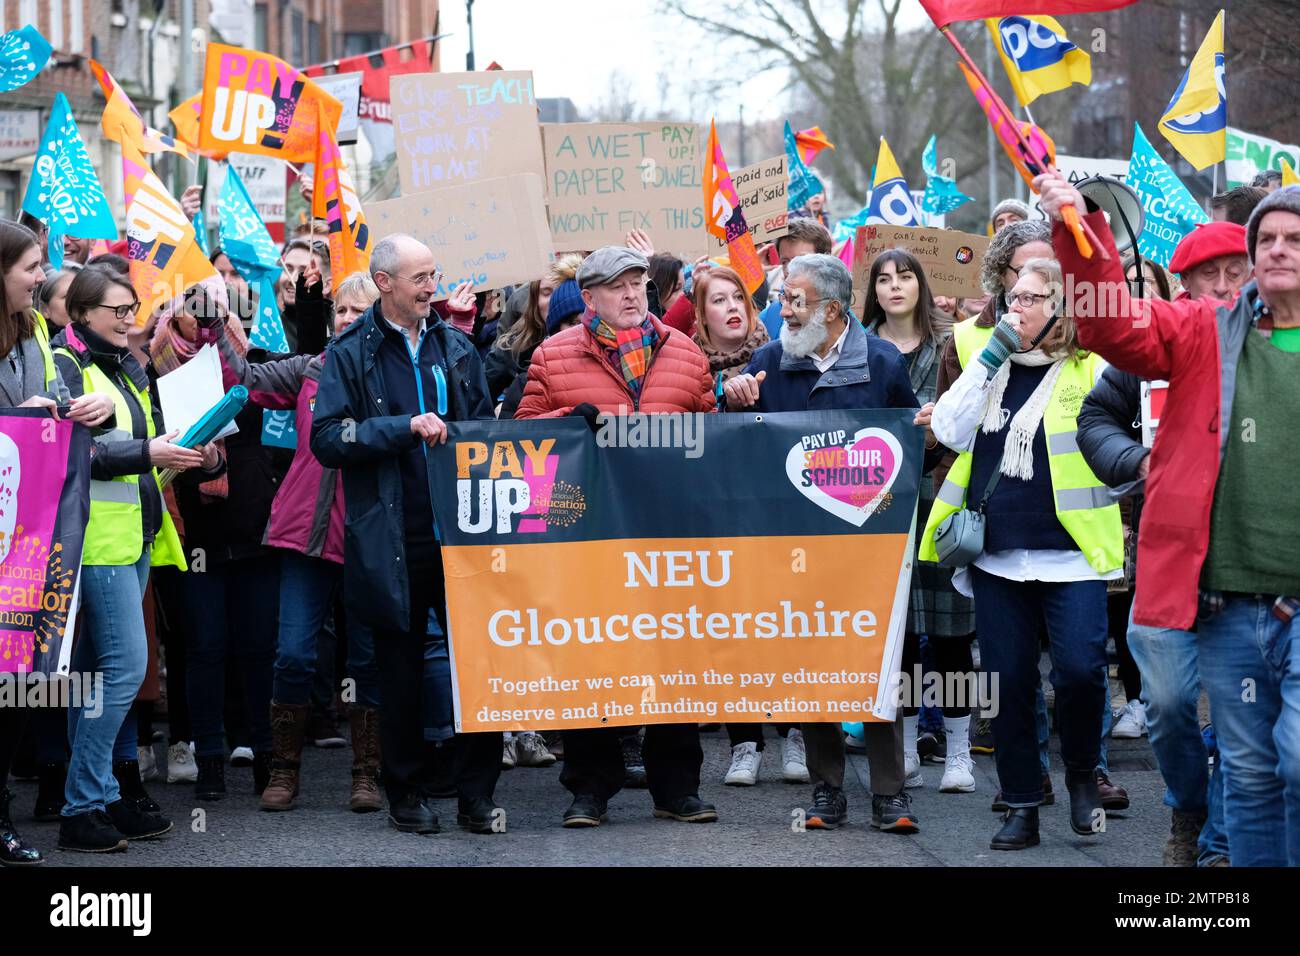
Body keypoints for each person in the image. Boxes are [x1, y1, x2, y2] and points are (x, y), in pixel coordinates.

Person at [1039, 175, 1300, 867]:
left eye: (1292, 240)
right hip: (1221, 596)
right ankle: (1198, 824)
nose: (1275, 252)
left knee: (1296, 761)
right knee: (1240, 766)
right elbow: (1107, 324)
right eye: (1265, 239)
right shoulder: (1199, 329)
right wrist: (1079, 226)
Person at [516, 245, 718, 827]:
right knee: (589, 659)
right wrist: (566, 423)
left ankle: (676, 788)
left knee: (675, 656)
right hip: (588, 536)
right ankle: (589, 787)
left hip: (668, 533)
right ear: (590, 297)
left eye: (638, 285)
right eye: (618, 286)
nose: (633, 295)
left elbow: (712, 437)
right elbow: (521, 435)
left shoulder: (683, 352)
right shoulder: (553, 356)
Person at [926, 256, 1124, 851]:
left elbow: (1120, 446)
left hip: (1074, 555)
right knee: (1008, 682)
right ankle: (1020, 802)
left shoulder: (1093, 368)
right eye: (1013, 297)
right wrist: (988, 360)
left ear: (1060, 308)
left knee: (1083, 673)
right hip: (998, 555)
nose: (1018, 308)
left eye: (1033, 299)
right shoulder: (990, 362)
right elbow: (952, 433)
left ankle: (1084, 774)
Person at [311, 234, 505, 835]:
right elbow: (327, 439)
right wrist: (401, 428)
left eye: (434, 275)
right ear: (385, 283)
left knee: (480, 665)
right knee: (397, 671)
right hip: (395, 537)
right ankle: (407, 792)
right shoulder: (348, 353)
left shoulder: (457, 344)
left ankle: (476, 795)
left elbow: (481, 427)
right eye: (420, 278)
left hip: (466, 532)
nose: (432, 287)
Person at [724, 253, 922, 834]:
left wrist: (928, 430)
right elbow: (737, 446)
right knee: (810, 658)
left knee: (878, 659)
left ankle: (889, 792)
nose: (781, 310)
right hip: (794, 545)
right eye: (784, 298)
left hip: (870, 546)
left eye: (795, 300)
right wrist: (730, 400)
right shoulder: (766, 362)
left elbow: (912, 449)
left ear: (832, 310)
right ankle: (827, 787)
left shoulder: (882, 362)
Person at [1077, 223, 1251, 868]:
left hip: (1247, 564)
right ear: (1183, 286)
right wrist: (1138, 461)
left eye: (1238, 272)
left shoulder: (1271, 345)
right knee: (1171, 705)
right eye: (1211, 276)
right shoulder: (1167, 337)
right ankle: (1188, 805)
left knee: (1242, 714)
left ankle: (1220, 846)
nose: (1226, 288)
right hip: (1170, 554)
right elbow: (1093, 418)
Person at [190, 271, 387, 813]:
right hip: (305, 533)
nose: (347, 319)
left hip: (370, 536)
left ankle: (366, 774)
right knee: (293, 655)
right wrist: (212, 323)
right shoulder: (310, 368)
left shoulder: (394, 373)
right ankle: (283, 769)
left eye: (359, 310)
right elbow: (242, 380)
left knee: (366, 660)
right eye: (340, 310)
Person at [50, 266, 220, 852]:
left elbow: (143, 450)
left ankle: (94, 804)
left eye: (131, 308)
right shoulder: (65, 365)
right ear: (81, 314)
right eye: (117, 310)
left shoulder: (128, 365)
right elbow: (83, 453)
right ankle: (82, 804)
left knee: (95, 678)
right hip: (95, 542)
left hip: (133, 537)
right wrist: (150, 448)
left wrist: (195, 450)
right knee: (124, 671)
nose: (129, 318)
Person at [0, 221, 113, 866]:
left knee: (18, 681)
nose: (41, 276)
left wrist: (76, 409)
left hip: (28, 534)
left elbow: (59, 405)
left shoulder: (34, 334)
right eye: (31, 266)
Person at [150, 276, 283, 802]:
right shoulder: (159, 368)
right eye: (197, 306)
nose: (208, 317)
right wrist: (199, 459)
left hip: (254, 526)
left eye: (219, 306)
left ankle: (267, 756)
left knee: (259, 649)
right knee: (204, 649)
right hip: (195, 532)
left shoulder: (256, 358)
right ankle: (209, 759)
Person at [862, 250, 978, 795]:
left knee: (952, 633)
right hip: (875, 511)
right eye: (883, 279)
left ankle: (959, 753)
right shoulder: (857, 350)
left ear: (922, 284)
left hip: (940, 503)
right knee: (898, 636)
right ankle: (905, 746)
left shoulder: (953, 344)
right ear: (872, 292)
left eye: (905, 275)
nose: (894, 286)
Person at [755, 218, 834, 339]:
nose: (791, 269)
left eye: (801, 261)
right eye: (785, 262)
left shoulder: (842, 315)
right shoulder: (770, 316)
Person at [1168, 221, 1251, 302]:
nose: (1221, 288)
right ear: (1185, 278)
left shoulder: (1259, 313)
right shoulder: (1165, 315)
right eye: (1209, 272)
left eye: (1234, 274)